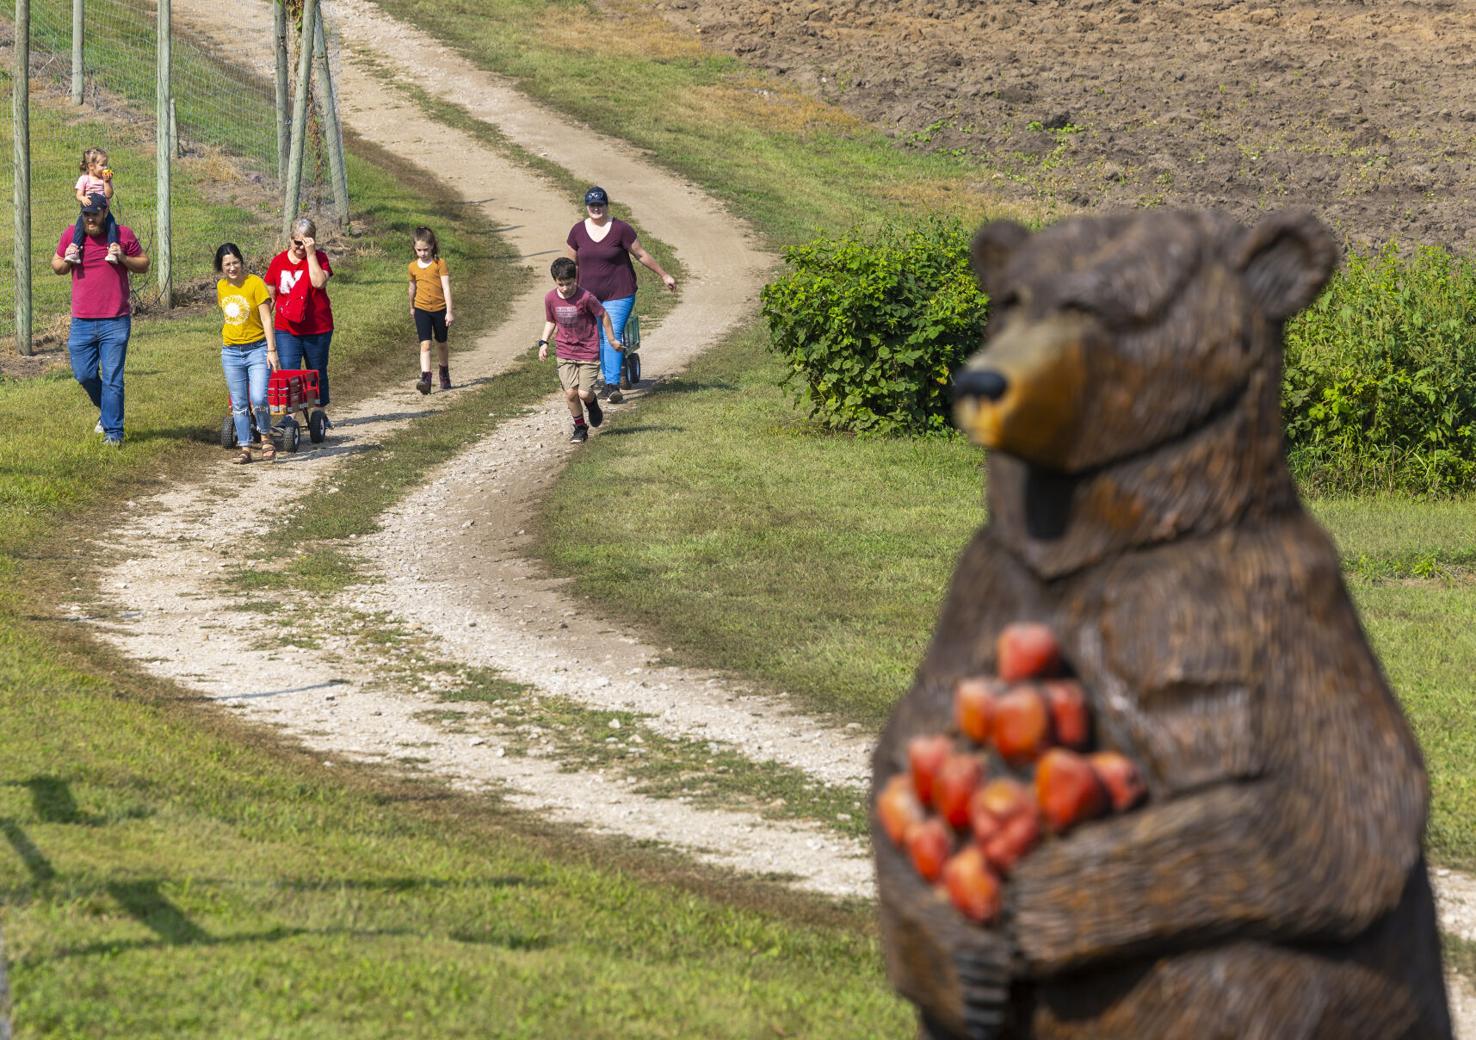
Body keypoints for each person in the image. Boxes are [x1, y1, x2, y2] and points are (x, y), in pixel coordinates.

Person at [50, 194, 149, 446]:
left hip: (115, 321)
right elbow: (57, 266)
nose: (90, 219)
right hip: (81, 322)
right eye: (86, 215)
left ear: (105, 212)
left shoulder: (123, 235)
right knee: (84, 374)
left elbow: (144, 264)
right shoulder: (72, 235)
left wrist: (123, 257)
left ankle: (114, 433)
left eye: (94, 214)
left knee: (113, 378)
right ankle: (107, 412)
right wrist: (67, 258)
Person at [564, 185, 676, 403]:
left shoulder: (620, 229)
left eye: (600, 204)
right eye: (592, 205)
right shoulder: (577, 231)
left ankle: (612, 385)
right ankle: (608, 379)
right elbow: (570, 264)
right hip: (589, 296)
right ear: (587, 206)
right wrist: (569, 291)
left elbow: (640, 254)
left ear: (607, 205)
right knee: (599, 338)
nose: (596, 208)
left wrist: (664, 275)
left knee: (611, 334)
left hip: (619, 293)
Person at [538, 257, 621, 443]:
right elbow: (550, 321)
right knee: (570, 393)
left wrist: (611, 339)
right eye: (561, 284)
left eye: (569, 283)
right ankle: (580, 428)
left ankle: (592, 404)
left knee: (583, 393)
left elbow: (603, 315)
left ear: (575, 279)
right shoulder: (550, 298)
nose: (565, 288)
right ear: (555, 281)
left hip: (587, 351)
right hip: (565, 351)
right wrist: (543, 342)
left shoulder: (585, 297)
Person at [266, 217, 334, 429]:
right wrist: (262, 324)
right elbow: (270, 297)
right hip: (287, 328)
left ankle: (319, 413)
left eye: (306, 243)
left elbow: (318, 282)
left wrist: (311, 254)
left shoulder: (320, 258)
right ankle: (290, 417)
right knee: (289, 373)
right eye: (297, 243)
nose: (301, 248)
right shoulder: (278, 262)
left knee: (317, 371)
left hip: (317, 327)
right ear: (290, 239)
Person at [215, 243, 280, 464]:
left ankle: (266, 438)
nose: (232, 268)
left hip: (257, 349)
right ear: (221, 267)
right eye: (227, 264)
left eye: (235, 262)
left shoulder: (255, 283)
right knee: (239, 402)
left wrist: (271, 350)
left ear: (241, 262)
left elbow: (266, 319)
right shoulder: (221, 287)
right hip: (231, 352)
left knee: (258, 397)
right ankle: (245, 447)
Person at [407, 226, 454, 394]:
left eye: (426, 249)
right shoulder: (412, 267)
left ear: (432, 246)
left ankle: (444, 372)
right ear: (414, 248)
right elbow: (411, 288)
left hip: (440, 309)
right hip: (421, 309)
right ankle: (425, 378)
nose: (422, 253)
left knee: (441, 343)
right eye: (419, 250)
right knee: (425, 345)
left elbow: (446, 288)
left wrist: (449, 311)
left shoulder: (439, 264)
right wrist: (411, 306)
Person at [70, 147, 120, 265]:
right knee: (79, 225)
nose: (106, 168)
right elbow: (78, 195)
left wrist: (107, 182)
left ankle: (112, 249)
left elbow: (109, 195)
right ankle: (74, 249)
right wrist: (83, 198)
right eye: (102, 165)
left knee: (111, 224)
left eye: (106, 164)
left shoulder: (104, 180)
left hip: (103, 212)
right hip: (88, 211)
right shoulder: (84, 179)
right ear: (91, 166)